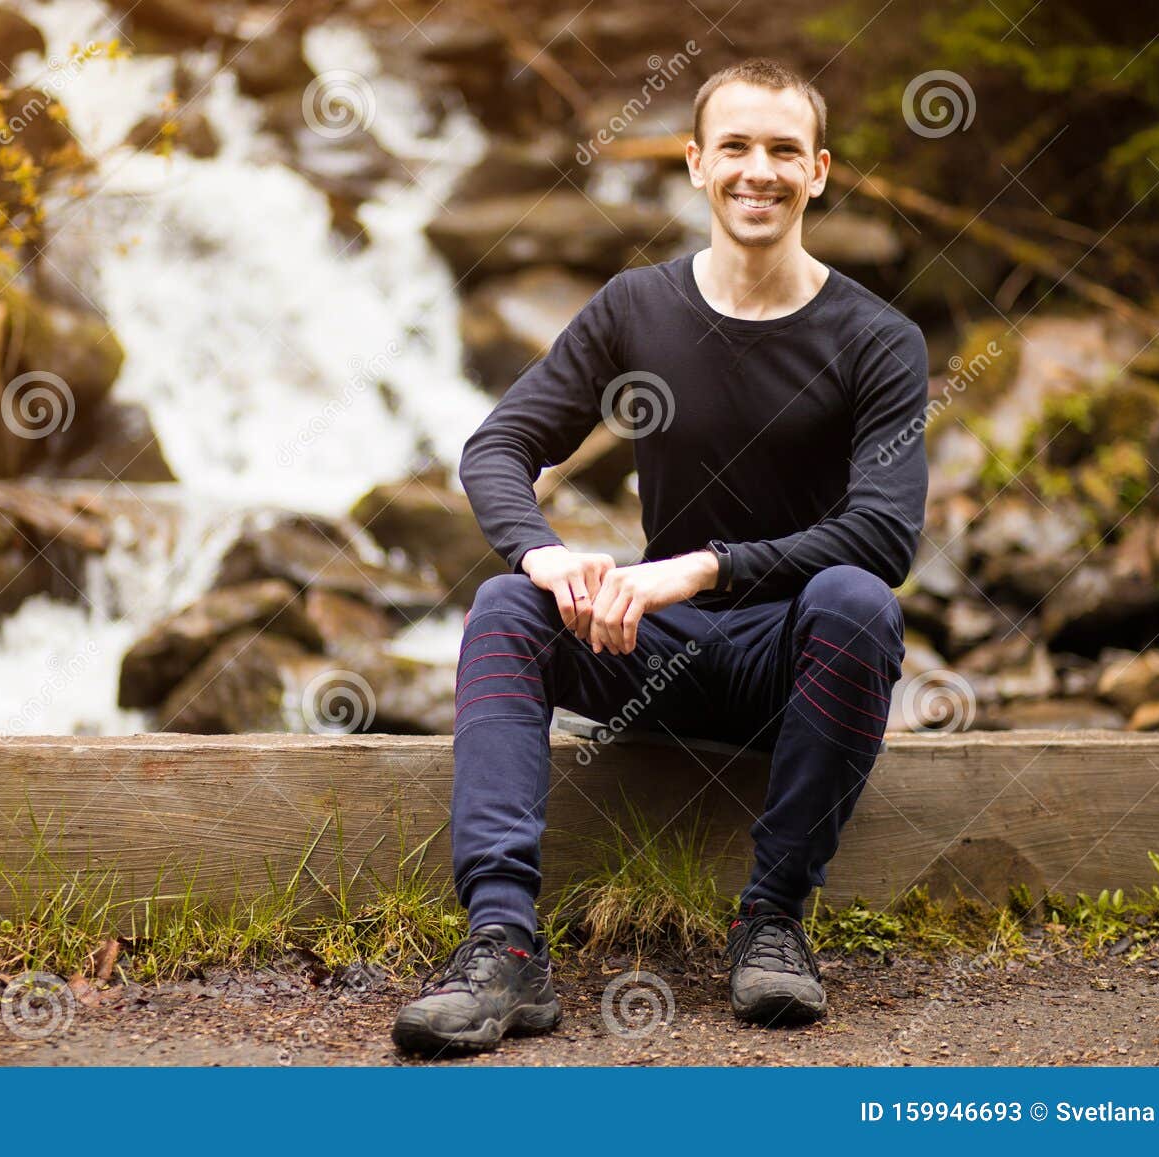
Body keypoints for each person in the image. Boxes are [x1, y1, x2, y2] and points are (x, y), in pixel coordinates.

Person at [391, 57, 929, 1057]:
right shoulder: (636, 307)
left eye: (783, 150)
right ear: (695, 162)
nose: (758, 170)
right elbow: (498, 447)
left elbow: (884, 533)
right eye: (735, 147)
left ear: (818, 171)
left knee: (857, 599)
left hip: (791, 667)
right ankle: (503, 946)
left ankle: (772, 918)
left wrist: (699, 567)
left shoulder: (877, 338)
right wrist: (543, 554)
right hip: (649, 654)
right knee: (507, 603)